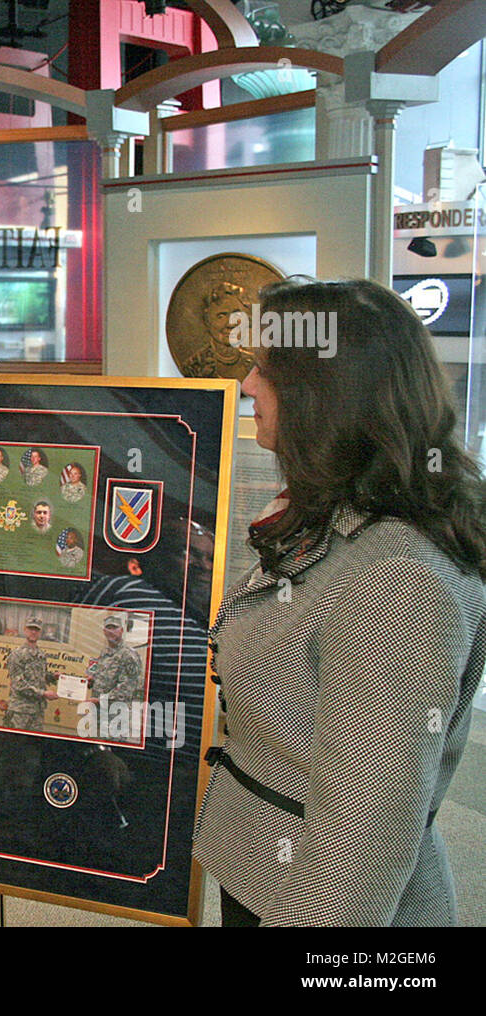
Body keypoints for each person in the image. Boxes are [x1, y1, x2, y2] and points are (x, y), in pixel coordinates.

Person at [193, 278, 486, 927]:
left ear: (325, 394)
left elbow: (361, 836)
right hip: (267, 866)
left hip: (308, 894)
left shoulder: (399, 580)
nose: (245, 385)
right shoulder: (347, 514)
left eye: (265, 369)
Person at [181, 281, 255, 379]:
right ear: (207, 321)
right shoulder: (194, 367)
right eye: (221, 316)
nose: (231, 323)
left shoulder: (254, 365)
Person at [2, 617, 56, 731]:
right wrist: (44, 693)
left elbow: (41, 675)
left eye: (36, 630)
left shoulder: (41, 654)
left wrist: (53, 676)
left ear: (40, 633)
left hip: (37, 711)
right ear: (25, 630)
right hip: (20, 712)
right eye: (31, 629)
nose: (33, 632)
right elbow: (19, 684)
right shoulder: (16, 655)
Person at [86, 614, 142, 709]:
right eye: (108, 628)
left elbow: (128, 687)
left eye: (114, 628)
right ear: (104, 631)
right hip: (98, 710)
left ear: (121, 630)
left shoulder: (129, 655)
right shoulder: (104, 652)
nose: (111, 631)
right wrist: (91, 680)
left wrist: (101, 700)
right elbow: (103, 677)